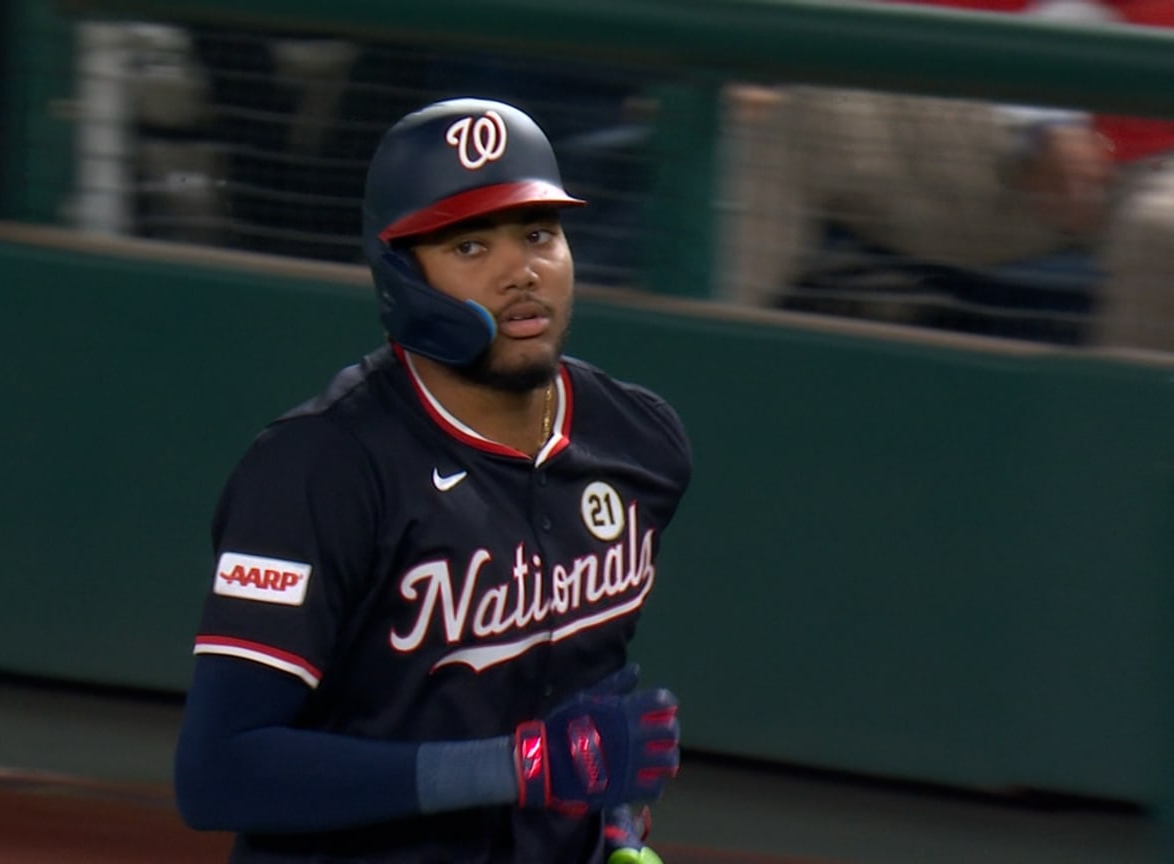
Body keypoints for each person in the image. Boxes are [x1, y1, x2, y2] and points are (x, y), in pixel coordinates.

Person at [174, 97, 693, 863]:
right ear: (402, 278)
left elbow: (574, 698)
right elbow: (219, 773)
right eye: (470, 246)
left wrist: (608, 817)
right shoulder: (320, 470)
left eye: (539, 235)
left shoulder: (638, 441)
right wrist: (515, 769)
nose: (522, 270)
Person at [721, 0, 1174, 352]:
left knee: (1162, 232)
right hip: (1020, 148)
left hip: (1157, 162)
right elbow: (914, 22)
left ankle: (1117, 455)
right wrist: (775, 63)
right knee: (811, 114)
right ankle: (672, 399)